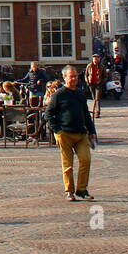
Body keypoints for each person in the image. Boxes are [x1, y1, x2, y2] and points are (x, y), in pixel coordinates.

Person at [46, 65, 97, 202]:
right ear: (64, 78)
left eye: (76, 76)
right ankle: (69, 191)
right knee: (68, 165)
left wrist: (92, 131)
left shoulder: (80, 93)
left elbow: (86, 114)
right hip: (65, 134)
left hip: (81, 133)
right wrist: (57, 130)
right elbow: (48, 114)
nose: (74, 79)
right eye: (71, 76)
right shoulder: (59, 94)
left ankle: (82, 190)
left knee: (86, 160)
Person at [84, 55, 107, 119]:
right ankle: (93, 111)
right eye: (94, 59)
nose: (95, 60)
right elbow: (86, 75)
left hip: (98, 84)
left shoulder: (102, 66)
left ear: (99, 59)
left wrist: (102, 82)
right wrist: (87, 81)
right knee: (93, 98)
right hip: (91, 84)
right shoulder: (89, 66)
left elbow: (105, 76)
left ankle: (97, 112)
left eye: (97, 59)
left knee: (97, 99)